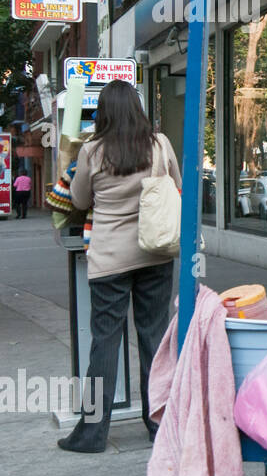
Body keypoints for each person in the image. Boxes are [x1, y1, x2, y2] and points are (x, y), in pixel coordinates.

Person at [61, 80, 181, 452]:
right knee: (154, 338)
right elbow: (175, 186)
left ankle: (92, 433)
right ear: (138, 109)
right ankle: (158, 425)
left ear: (104, 113)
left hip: (110, 258)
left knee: (105, 342)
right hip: (154, 252)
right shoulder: (159, 144)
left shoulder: (93, 151)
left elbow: (79, 198)